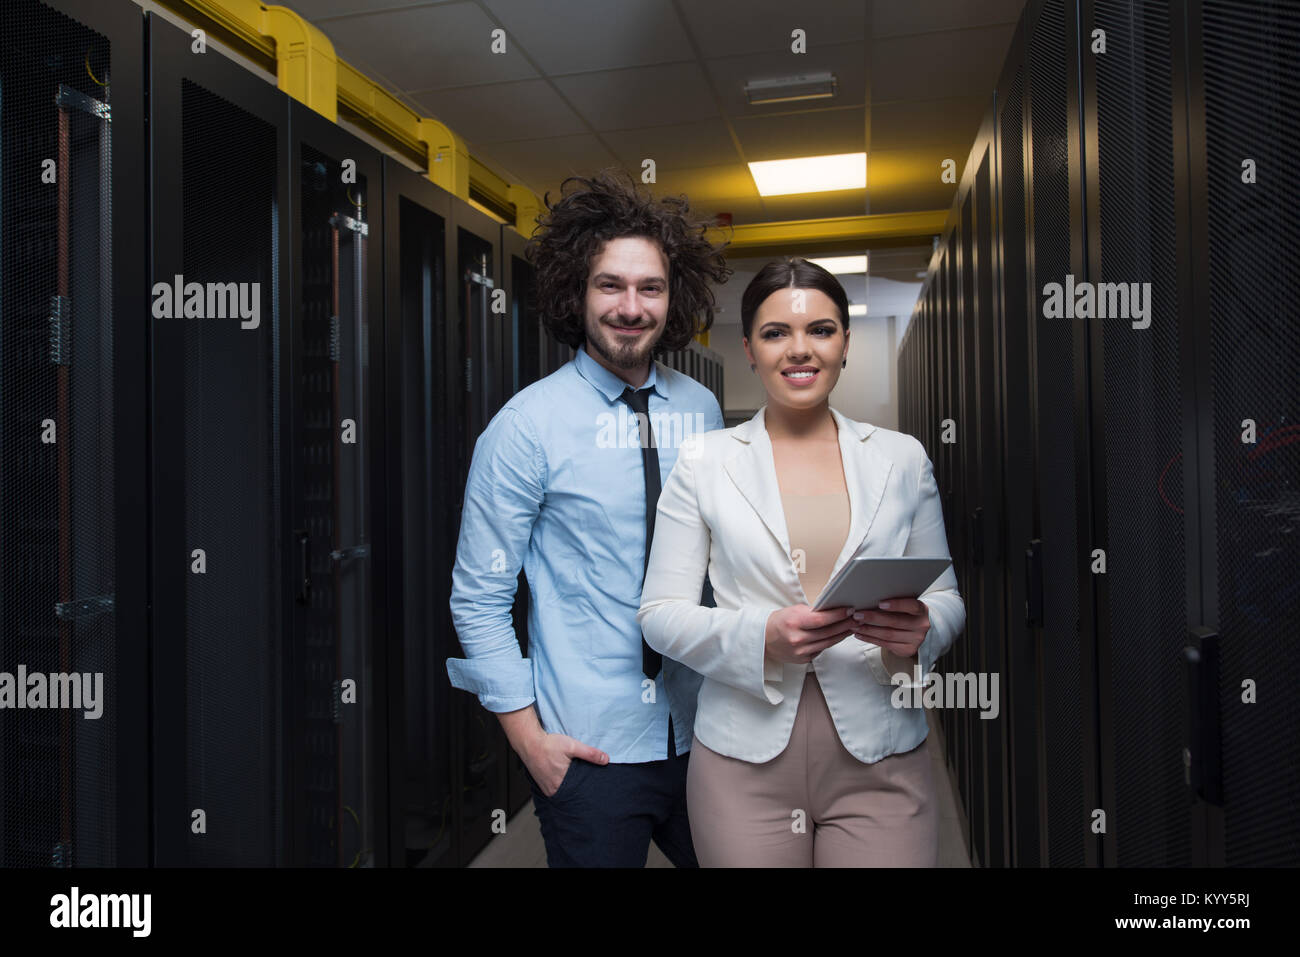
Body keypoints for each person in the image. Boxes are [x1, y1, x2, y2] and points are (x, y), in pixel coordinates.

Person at [637, 257, 965, 866]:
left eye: (820, 329)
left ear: (846, 342)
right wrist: (759, 636)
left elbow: (945, 598)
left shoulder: (902, 458)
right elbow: (660, 614)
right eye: (775, 333)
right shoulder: (703, 461)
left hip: (882, 756)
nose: (799, 350)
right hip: (742, 764)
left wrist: (920, 632)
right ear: (749, 349)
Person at [446, 169, 730, 867]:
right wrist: (529, 741)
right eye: (611, 285)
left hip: (708, 735)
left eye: (650, 287)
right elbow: (478, 598)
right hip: (591, 752)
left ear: (674, 298)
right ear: (578, 291)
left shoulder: (702, 408)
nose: (630, 307)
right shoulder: (525, 429)